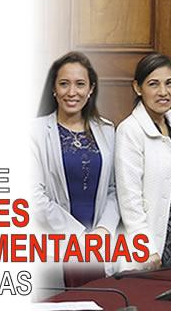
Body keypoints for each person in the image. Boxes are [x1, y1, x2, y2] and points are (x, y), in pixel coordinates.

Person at [31, 51, 119, 286]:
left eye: (80, 84)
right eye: (64, 84)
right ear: (53, 89)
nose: (72, 92)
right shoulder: (35, 132)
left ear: (91, 89)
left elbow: (114, 189)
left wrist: (102, 230)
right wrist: (80, 236)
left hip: (99, 249)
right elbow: (34, 197)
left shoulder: (107, 130)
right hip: (56, 246)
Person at [116, 53, 171, 270]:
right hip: (153, 247)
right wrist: (145, 248)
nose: (163, 92)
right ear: (138, 88)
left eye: (169, 83)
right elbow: (130, 199)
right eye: (153, 84)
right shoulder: (129, 130)